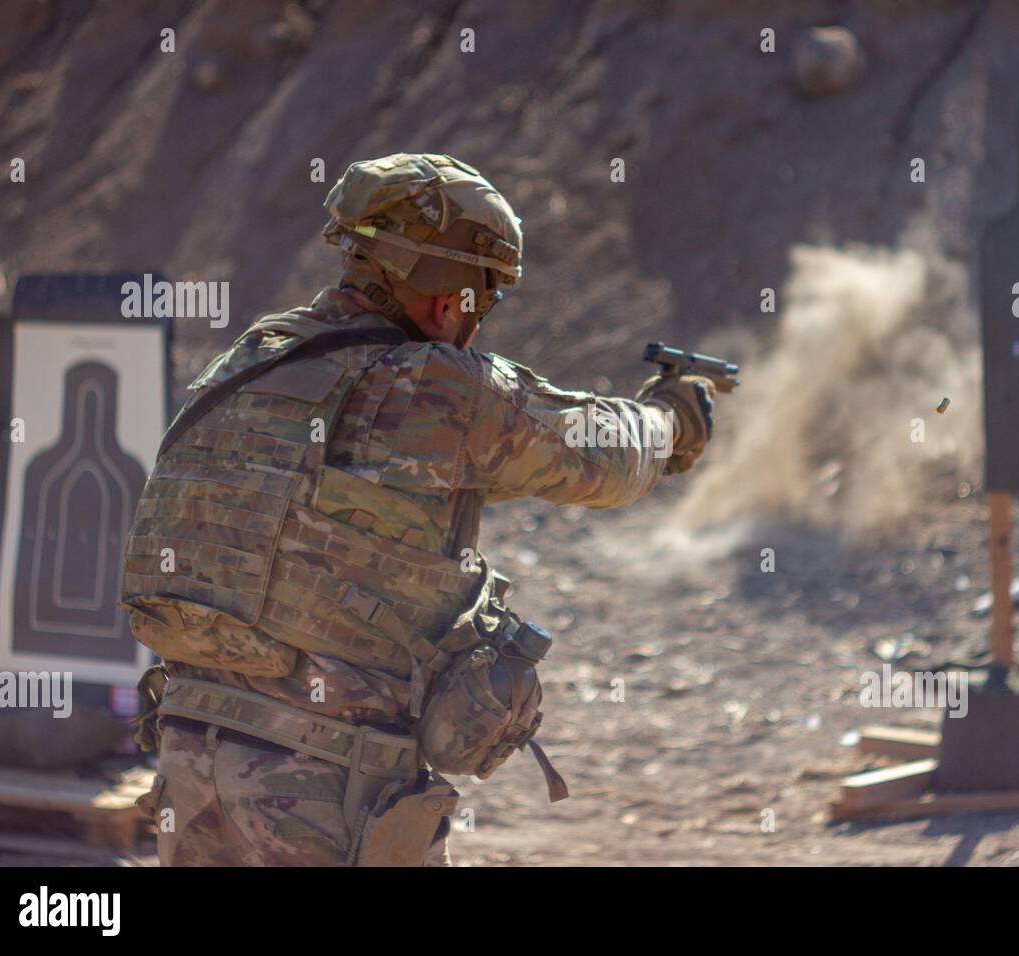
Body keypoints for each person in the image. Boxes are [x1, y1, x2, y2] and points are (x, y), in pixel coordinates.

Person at [120, 152, 716, 866]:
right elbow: (604, 458)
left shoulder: (247, 363)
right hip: (328, 787)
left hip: (191, 760)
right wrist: (673, 420)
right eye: (480, 296)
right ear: (446, 297)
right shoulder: (435, 390)